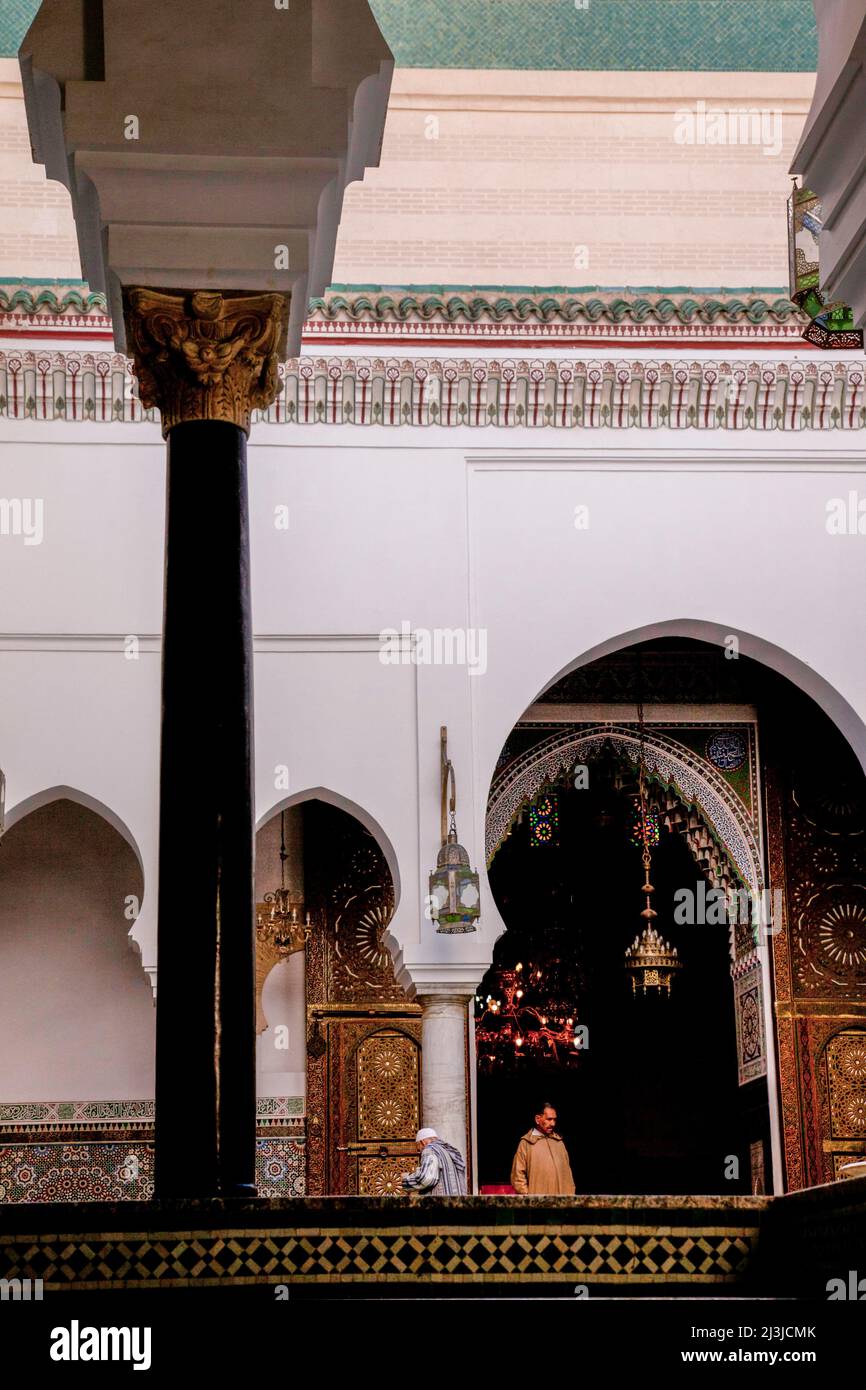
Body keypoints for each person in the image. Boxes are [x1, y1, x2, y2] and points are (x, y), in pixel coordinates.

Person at [510, 1102, 575, 1195]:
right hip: (537, 1205)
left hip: (561, 1204)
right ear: (537, 1119)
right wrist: (530, 1197)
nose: (553, 1123)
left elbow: (568, 1175)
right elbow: (518, 1177)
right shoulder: (526, 1143)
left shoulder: (559, 1143)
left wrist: (570, 1194)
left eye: (554, 1120)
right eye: (549, 1119)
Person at [402, 1126, 467, 1195]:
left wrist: (406, 1181)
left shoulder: (429, 1150)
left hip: (440, 1201)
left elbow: (426, 1179)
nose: (420, 1151)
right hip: (456, 1200)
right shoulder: (447, 1150)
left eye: (419, 1147)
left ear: (422, 1142)